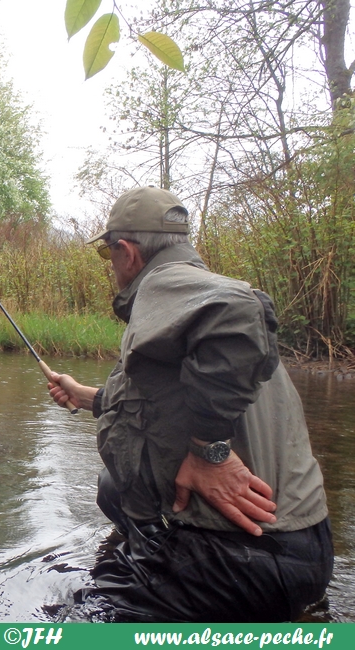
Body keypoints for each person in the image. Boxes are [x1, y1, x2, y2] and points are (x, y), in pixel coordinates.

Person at [48, 186, 333, 622]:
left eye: (107, 255)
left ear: (126, 252)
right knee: (113, 488)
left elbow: (238, 312)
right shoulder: (186, 296)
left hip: (240, 561)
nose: (111, 267)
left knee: (79, 613)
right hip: (304, 556)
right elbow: (161, 402)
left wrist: (210, 451)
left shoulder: (168, 285)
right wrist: (86, 396)